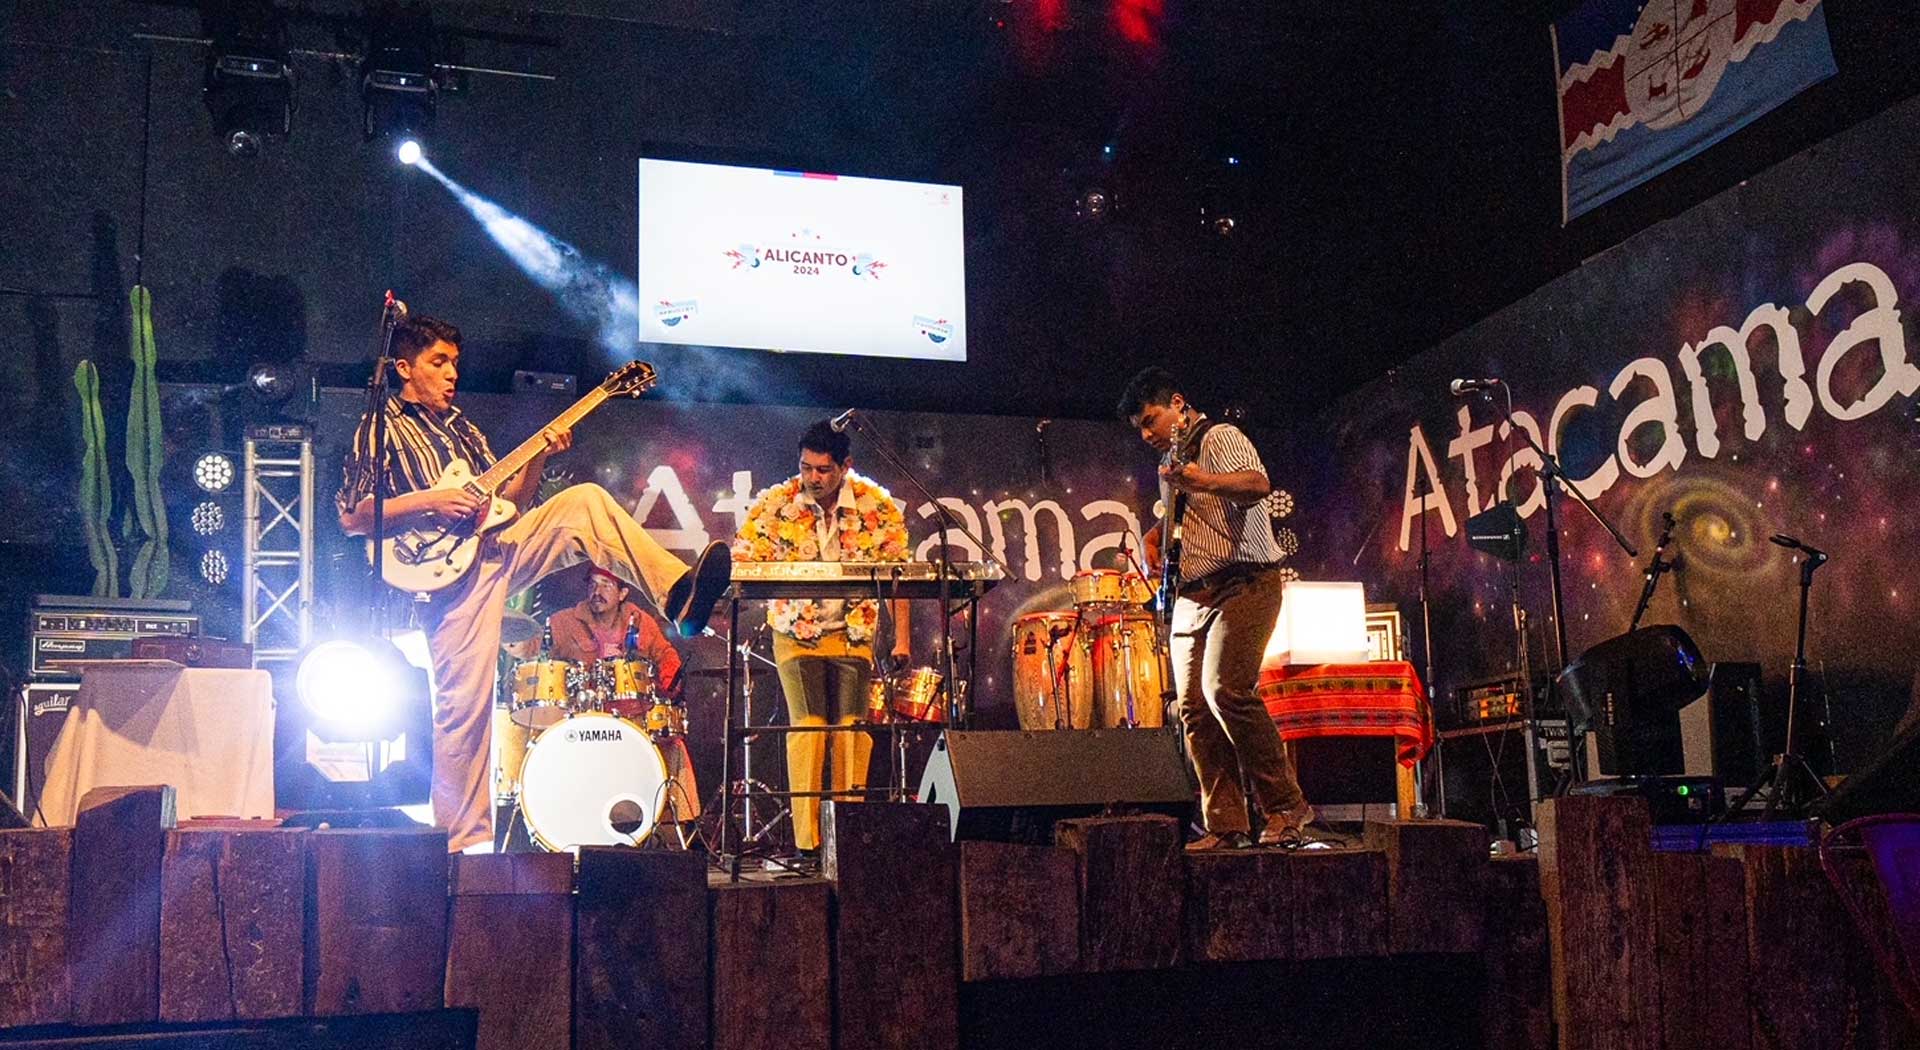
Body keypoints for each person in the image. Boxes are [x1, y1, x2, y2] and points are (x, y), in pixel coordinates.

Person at [336, 314, 730, 853]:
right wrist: (434, 500)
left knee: (584, 502)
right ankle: (463, 853)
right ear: (403, 368)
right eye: (438, 362)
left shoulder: (461, 428)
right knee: (464, 714)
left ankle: (678, 594)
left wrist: (539, 453)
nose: (452, 373)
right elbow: (354, 517)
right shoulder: (382, 426)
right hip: (443, 576)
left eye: (455, 362)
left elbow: (509, 506)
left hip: (494, 549)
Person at [1118, 366, 1313, 850]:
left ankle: (1287, 807)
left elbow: (1256, 484)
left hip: (1244, 582)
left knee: (1226, 688)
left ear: (1179, 404)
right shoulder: (1172, 460)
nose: (1147, 434)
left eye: (1151, 420)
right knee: (1193, 707)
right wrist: (1156, 535)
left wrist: (1203, 479)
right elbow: (1189, 520)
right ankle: (1226, 824)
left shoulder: (1218, 438)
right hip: (1194, 592)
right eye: (1140, 428)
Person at [732, 420, 912, 859]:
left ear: (846, 467)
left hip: (853, 631)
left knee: (851, 731)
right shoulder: (776, 504)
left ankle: (846, 839)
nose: (813, 478)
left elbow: (898, 579)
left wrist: (901, 640)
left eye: (823, 470)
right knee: (808, 728)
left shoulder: (878, 507)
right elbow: (746, 562)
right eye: (806, 467)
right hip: (796, 633)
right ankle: (807, 844)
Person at [547, 565, 700, 822]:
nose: (597, 592)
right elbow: (541, 659)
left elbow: (665, 655)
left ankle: (677, 825)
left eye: (606, 585)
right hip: (585, 719)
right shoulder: (563, 622)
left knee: (673, 744)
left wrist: (669, 683)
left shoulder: (639, 620)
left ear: (623, 593)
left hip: (633, 717)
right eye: (593, 584)